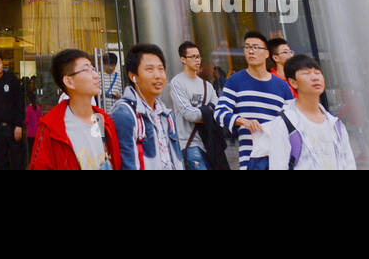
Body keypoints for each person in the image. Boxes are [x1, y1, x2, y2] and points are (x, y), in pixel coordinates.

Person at [214, 31, 294, 170]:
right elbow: (219, 113)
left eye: (256, 47)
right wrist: (243, 121)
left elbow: (293, 122)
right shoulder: (235, 81)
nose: (251, 51)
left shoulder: (282, 86)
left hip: (280, 158)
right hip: (250, 159)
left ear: (267, 53)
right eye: (247, 47)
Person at [29, 48, 121, 170]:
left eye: (93, 68)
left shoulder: (105, 121)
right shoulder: (51, 128)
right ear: (69, 81)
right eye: (87, 69)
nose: (95, 75)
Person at [266, 54, 357, 170]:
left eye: (317, 73)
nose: (315, 77)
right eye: (306, 73)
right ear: (293, 82)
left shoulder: (336, 124)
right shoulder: (285, 124)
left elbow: (349, 163)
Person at [110, 43, 183, 170]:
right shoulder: (124, 114)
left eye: (161, 69)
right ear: (133, 76)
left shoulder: (166, 114)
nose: (158, 75)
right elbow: (128, 164)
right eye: (149, 69)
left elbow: (176, 159)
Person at [171, 40, 216, 170]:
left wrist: (204, 113)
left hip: (209, 143)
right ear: (183, 59)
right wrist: (208, 111)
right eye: (193, 57)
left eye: (199, 56)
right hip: (189, 144)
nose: (198, 60)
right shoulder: (177, 83)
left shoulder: (206, 85)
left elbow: (217, 111)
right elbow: (189, 114)